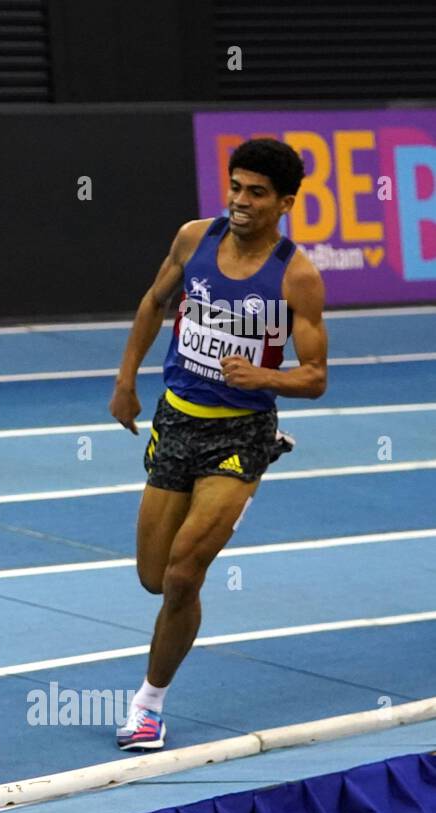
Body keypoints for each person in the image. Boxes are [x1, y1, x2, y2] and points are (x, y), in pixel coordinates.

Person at [108, 138, 328, 751]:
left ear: (285, 203)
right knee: (153, 578)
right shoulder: (192, 239)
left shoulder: (296, 275)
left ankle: (148, 705)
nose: (240, 201)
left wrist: (265, 377)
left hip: (239, 435)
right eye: (235, 187)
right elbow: (154, 304)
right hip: (176, 421)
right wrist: (125, 382)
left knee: (182, 576)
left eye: (256, 193)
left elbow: (315, 377)